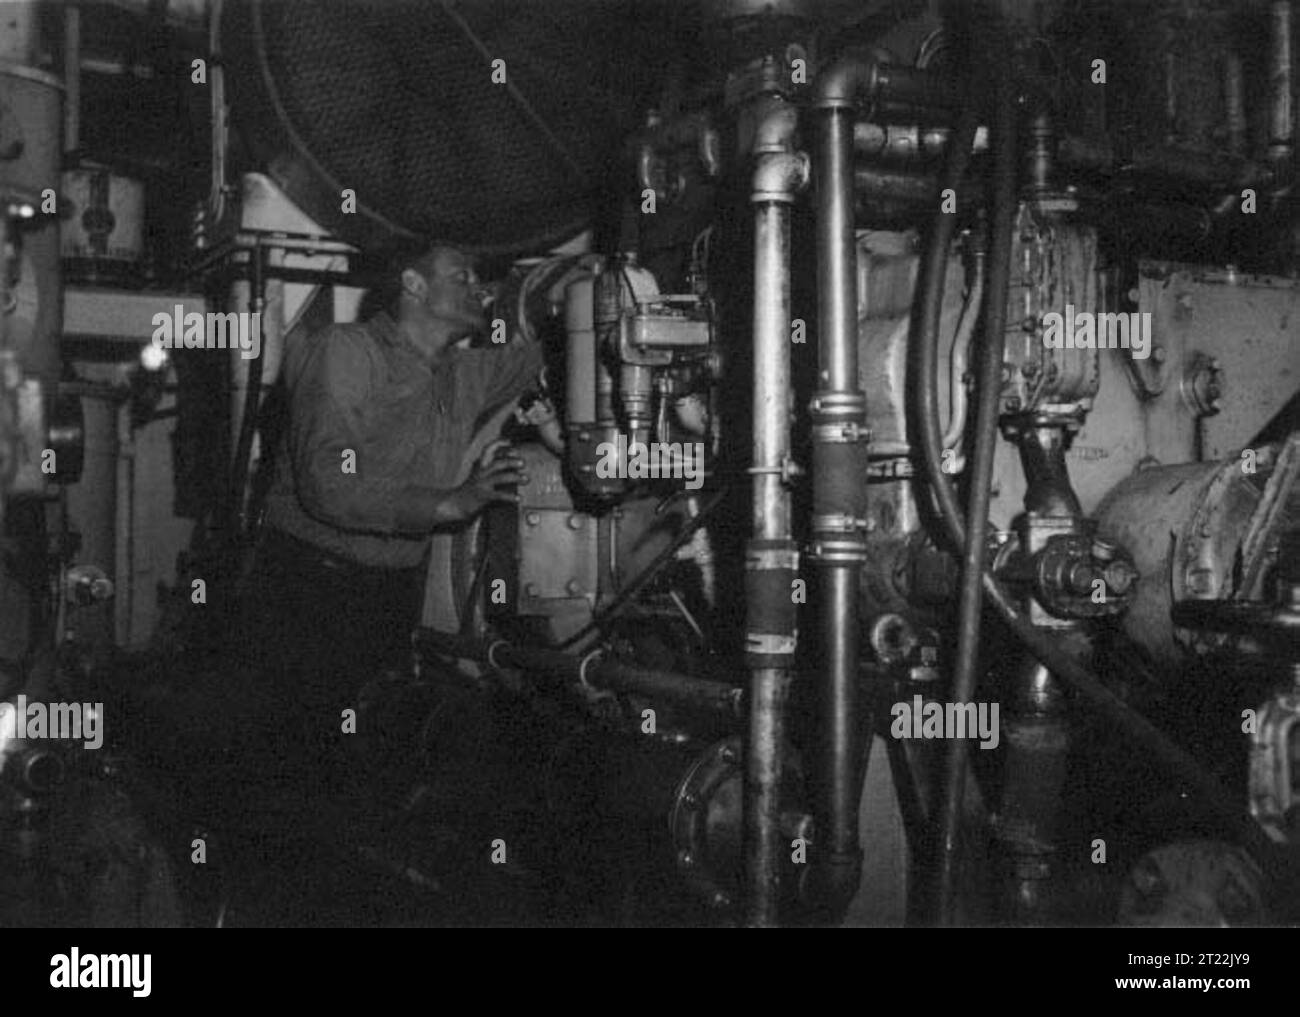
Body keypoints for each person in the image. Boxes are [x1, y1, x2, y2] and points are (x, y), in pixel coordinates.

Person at [237, 244, 542, 801]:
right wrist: (445, 504)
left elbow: (542, 349)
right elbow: (328, 482)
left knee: (371, 762)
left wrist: (544, 288)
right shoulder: (346, 352)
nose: (480, 288)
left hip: (390, 596)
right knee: (289, 770)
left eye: (482, 280)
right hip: (307, 593)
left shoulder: (467, 373)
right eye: (463, 276)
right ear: (414, 285)